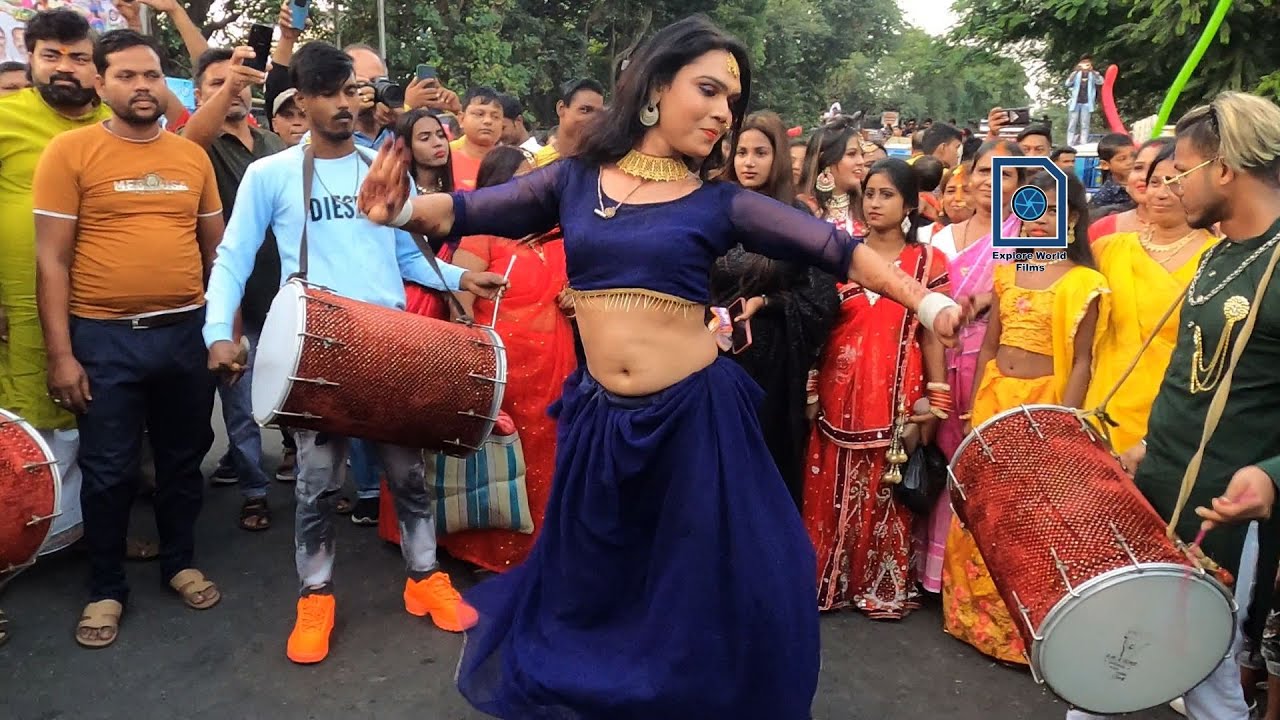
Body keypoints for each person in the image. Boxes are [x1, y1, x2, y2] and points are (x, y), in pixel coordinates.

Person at [357, 15, 963, 718]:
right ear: (653, 86)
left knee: (707, 587)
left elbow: (833, 248)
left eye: (730, 102)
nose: (720, 113)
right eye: (706, 89)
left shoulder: (719, 201)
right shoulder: (576, 181)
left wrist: (926, 304)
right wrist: (399, 209)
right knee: (600, 581)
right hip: (602, 424)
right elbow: (466, 209)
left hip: (694, 424)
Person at [202, 40, 508, 665]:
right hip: (316, 347)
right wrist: (217, 334)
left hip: (391, 342)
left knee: (408, 474)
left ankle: (425, 580)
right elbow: (232, 256)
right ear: (302, 100)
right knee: (317, 483)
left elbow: (399, 253)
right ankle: (316, 595)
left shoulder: (380, 166)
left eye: (352, 92)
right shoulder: (272, 174)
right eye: (331, 93)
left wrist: (457, 280)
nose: (345, 104)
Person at [1067, 91, 1280, 720]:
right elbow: (1191, 380)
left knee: (1204, 688)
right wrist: (1145, 447)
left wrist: (1272, 476)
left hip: (1224, 522)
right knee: (1110, 667)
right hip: (1154, 496)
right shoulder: (1219, 255)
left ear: (1224, 170)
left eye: (1180, 172)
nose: (1167, 188)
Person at [33, 29, 225, 648]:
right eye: (125, 76)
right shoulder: (69, 153)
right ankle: (106, 588)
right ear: (99, 82)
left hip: (184, 334)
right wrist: (62, 355)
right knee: (109, 471)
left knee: (181, 458)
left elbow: (219, 252)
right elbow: (52, 262)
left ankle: (179, 562)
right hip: (104, 339)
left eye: (150, 76)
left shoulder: (191, 157)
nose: (141, 87)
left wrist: (225, 333)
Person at [945, 170, 1106, 664]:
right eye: (1033, 209)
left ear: (1074, 220)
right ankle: (972, 620)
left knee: (1029, 516)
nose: (1041, 221)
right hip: (996, 397)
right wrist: (974, 410)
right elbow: (990, 343)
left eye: (1054, 210)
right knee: (983, 509)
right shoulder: (1009, 267)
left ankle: (1025, 634)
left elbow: (1082, 360)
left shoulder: (1086, 283)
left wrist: (1063, 421)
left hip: (1042, 405)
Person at [804, 158, 950, 619]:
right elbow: (818, 325)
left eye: (886, 195)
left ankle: (878, 586)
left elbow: (932, 334)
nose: (875, 203)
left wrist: (937, 396)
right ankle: (825, 582)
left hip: (897, 392)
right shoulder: (840, 254)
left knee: (884, 489)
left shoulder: (928, 261)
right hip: (837, 388)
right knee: (828, 482)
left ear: (909, 204)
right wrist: (810, 388)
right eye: (869, 193)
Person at [442, 145, 576, 571]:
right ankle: (490, 552)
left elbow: (583, 284)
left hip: (557, 362)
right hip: (502, 365)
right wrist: (473, 359)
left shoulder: (558, 231)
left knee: (549, 452)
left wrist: (578, 297)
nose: (531, 190)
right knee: (500, 457)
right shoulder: (483, 233)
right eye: (521, 180)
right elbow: (460, 303)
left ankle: (545, 548)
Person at [180, 45, 286, 530]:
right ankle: (254, 489)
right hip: (230, 295)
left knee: (293, 391)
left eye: (242, 82)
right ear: (199, 95)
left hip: (281, 292)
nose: (235, 90)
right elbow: (191, 138)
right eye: (221, 83)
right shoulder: (195, 145)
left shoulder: (274, 145)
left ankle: (303, 474)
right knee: (239, 400)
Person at [710, 110, 838, 508]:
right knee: (716, 461)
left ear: (777, 157)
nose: (748, 162)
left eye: (760, 153)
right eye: (742, 152)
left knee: (765, 465)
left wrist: (768, 302)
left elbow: (821, 296)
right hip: (714, 352)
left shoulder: (795, 218)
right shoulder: (715, 210)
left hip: (773, 362)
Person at [919, 140, 1022, 593]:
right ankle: (934, 572)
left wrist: (990, 300)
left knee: (984, 466)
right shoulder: (939, 237)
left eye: (1006, 175)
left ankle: (977, 583)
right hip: (940, 360)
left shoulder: (1031, 236)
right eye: (984, 171)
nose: (991, 182)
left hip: (995, 367)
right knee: (942, 458)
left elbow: (1041, 293)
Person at [1085, 142, 1216, 452]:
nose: (1160, 193)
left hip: (1172, 418)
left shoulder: (1217, 259)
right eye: (1155, 182)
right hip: (1102, 406)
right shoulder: (1109, 248)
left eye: (1174, 183)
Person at [532, 78, 605, 167]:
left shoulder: (605, 165)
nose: (594, 119)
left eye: (599, 113)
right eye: (585, 110)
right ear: (561, 108)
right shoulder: (535, 164)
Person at [1065, 54, 1103, 145]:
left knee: (1085, 124)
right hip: (1075, 102)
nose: (1085, 64)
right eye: (1083, 62)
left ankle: (1083, 143)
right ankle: (1069, 143)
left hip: (1087, 103)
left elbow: (1101, 81)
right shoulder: (1076, 74)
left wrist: (1093, 71)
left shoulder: (1093, 74)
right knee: (1072, 124)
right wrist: (1075, 72)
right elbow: (1067, 83)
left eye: (1087, 62)